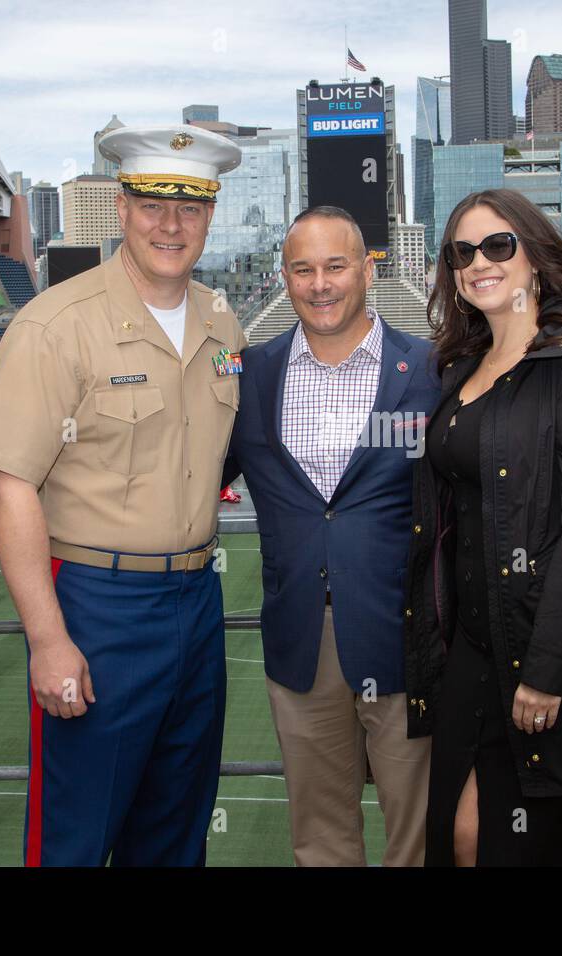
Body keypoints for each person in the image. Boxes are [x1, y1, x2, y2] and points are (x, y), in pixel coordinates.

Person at [0, 124, 246, 866]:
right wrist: (49, 640)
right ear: (121, 207)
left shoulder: (222, 320)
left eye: (190, 206)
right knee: (77, 838)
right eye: (153, 202)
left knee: (176, 835)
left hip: (197, 602)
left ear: (210, 215)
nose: (171, 224)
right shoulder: (56, 324)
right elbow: (8, 485)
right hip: (97, 605)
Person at [403, 188, 562, 866]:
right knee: (458, 838)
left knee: (523, 844)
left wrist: (545, 673)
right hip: (472, 649)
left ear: (537, 260)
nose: (477, 262)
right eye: (462, 252)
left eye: (497, 245)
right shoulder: (462, 368)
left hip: (549, 653)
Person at [222, 206, 438, 865]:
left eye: (336, 266)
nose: (320, 284)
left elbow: (482, 475)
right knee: (320, 841)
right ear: (285, 277)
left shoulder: (431, 368)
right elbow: (190, 471)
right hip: (300, 642)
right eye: (303, 268)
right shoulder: (250, 372)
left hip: (404, 637)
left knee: (417, 839)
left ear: (367, 270)